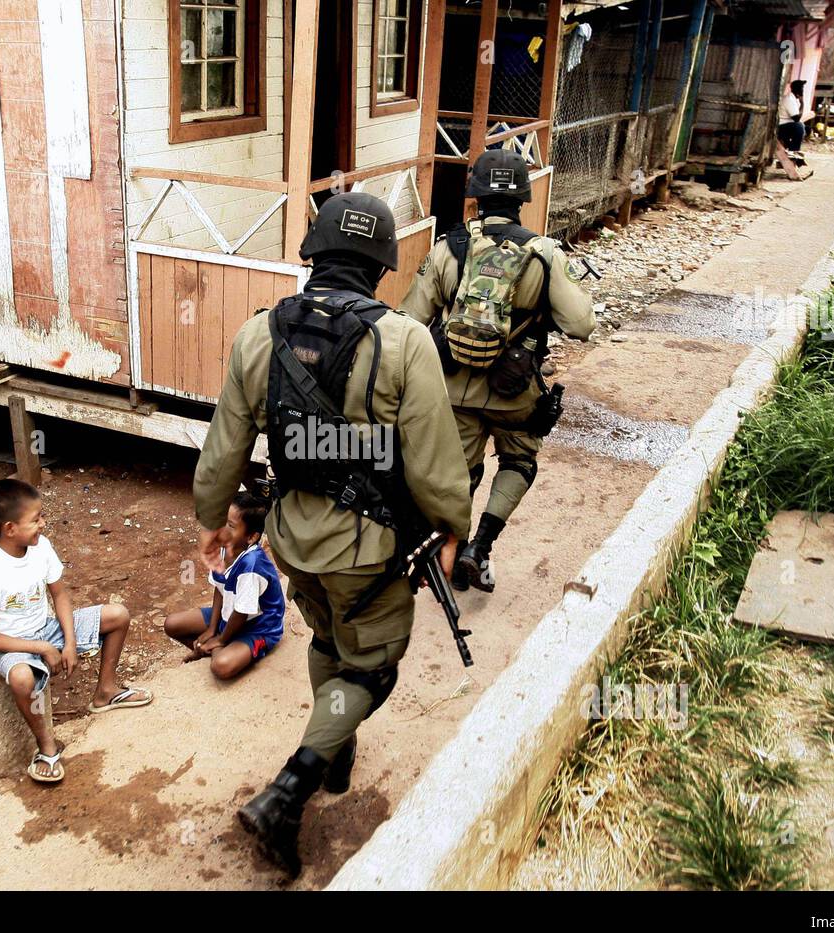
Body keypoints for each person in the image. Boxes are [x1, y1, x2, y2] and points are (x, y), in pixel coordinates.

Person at [192, 192, 471, 876]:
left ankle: (335, 744)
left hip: (292, 539)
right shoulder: (405, 342)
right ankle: (290, 789)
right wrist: (453, 528)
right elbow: (437, 469)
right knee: (372, 668)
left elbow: (222, 455)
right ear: (382, 269)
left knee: (325, 638)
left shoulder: (259, 334)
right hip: (371, 552)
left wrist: (214, 519)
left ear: (311, 254)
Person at [400, 149, 595, 595]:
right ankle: (480, 549)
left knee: (460, 474)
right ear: (523, 198)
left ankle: (453, 550)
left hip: (452, 388)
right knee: (519, 460)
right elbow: (582, 324)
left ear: (475, 197)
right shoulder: (543, 253)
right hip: (515, 390)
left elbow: (409, 322)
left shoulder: (448, 248)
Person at [0, 478, 152, 783]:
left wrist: (68, 642)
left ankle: (105, 691)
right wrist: (42, 649)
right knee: (21, 677)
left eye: (41, 515)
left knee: (117, 616)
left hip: (48, 629)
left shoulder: (41, 548)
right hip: (12, 646)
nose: (43, 523)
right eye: (35, 519)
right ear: (10, 529)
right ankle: (47, 748)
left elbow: (61, 595)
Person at [164, 492, 285, 680]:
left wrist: (219, 639)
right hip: (229, 615)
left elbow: (242, 612)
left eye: (231, 526)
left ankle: (218, 649)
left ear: (251, 537)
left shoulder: (251, 565)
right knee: (172, 624)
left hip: (259, 626)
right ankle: (216, 648)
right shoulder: (223, 547)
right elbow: (219, 589)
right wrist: (213, 628)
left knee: (221, 667)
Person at [778, 79, 808, 156]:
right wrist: (802, 103)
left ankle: (789, 147)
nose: (803, 91)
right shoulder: (789, 99)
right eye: (802, 88)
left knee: (806, 128)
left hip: (786, 125)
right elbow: (797, 118)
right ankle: (793, 151)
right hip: (780, 126)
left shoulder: (792, 99)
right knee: (799, 127)